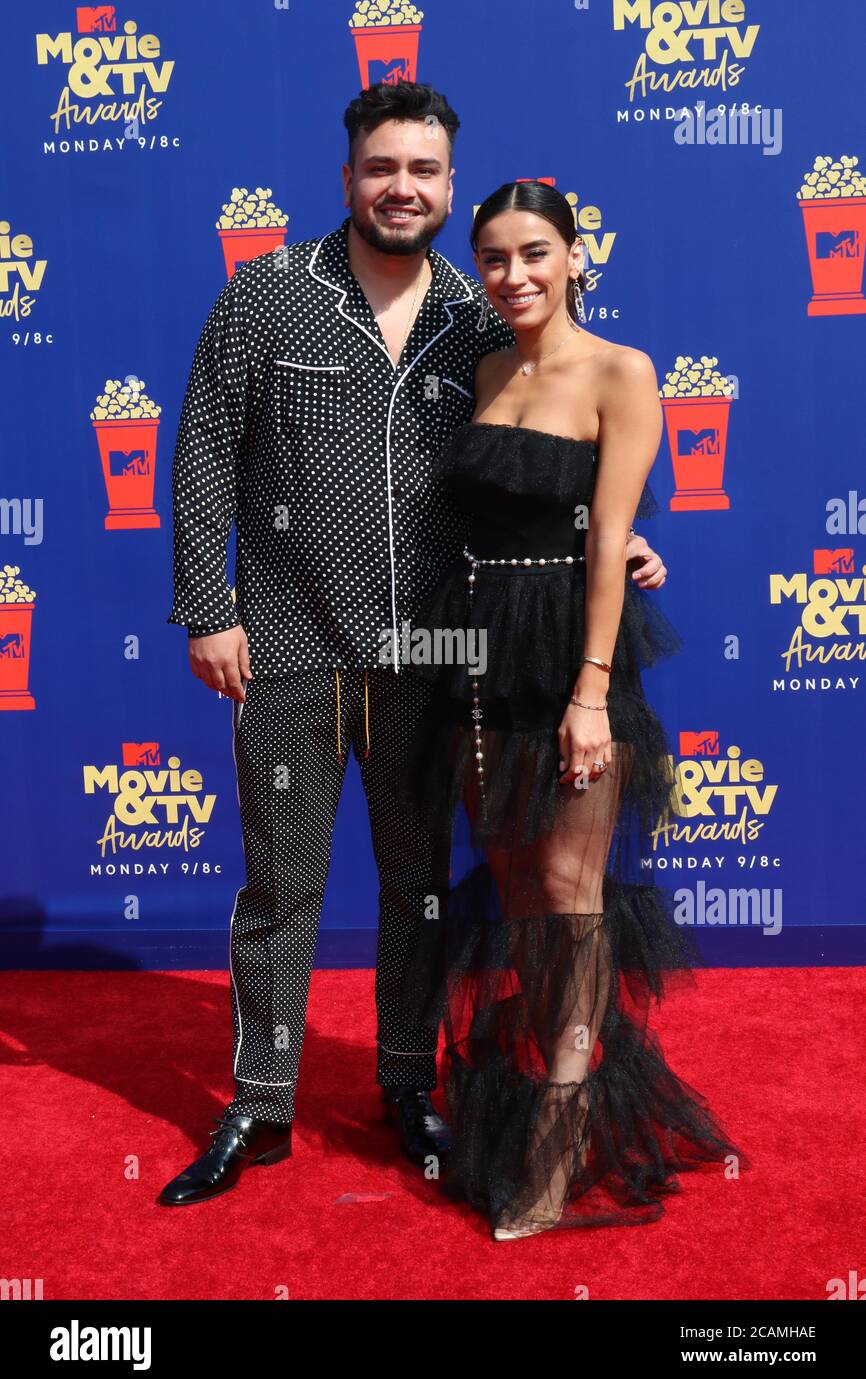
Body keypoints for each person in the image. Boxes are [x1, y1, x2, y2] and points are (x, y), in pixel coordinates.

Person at [158, 81, 670, 1207]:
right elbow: (202, 448)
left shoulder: (479, 318)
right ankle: (260, 1101)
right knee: (279, 887)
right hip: (288, 635)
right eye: (381, 168)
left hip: (435, 650)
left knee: (417, 888)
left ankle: (407, 1089)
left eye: (423, 171)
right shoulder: (263, 297)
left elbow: (547, 457)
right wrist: (209, 606)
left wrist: (616, 546)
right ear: (347, 179)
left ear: (447, 184)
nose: (402, 187)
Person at [395, 179, 750, 1239]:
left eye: (534, 253)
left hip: (570, 656)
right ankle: (526, 1089)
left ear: (575, 255)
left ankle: (562, 1126)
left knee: (568, 884)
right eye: (495, 256)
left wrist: (590, 692)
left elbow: (607, 536)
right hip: (471, 652)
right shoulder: (479, 366)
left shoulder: (621, 372)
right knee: (510, 882)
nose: (513, 275)